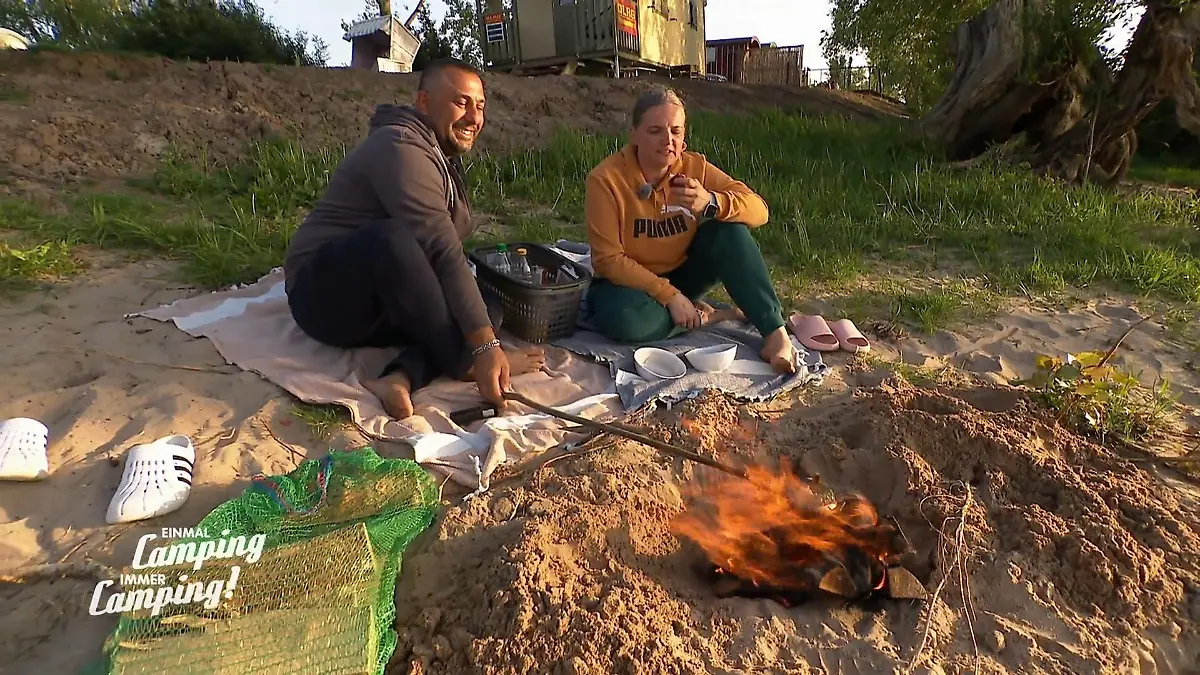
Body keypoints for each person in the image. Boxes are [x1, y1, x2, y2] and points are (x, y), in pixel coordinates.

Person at [283, 58, 545, 420]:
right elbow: (440, 247)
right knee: (390, 238)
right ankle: (461, 360)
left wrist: (483, 332)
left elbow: (445, 253)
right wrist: (485, 347)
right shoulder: (399, 146)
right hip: (324, 299)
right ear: (424, 102)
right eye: (461, 102)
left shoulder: (437, 152)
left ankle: (399, 377)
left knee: (486, 306)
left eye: (480, 106)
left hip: (382, 302)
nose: (473, 117)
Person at [583, 86, 796, 374]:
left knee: (730, 233)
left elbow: (760, 211)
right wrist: (668, 295)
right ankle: (707, 317)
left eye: (676, 131)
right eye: (655, 130)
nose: (667, 140)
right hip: (630, 286)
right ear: (634, 134)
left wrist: (711, 202)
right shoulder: (606, 180)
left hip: (683, 273)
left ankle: (774, 333)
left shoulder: (694, 167)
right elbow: (607, 260)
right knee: (621, 319)